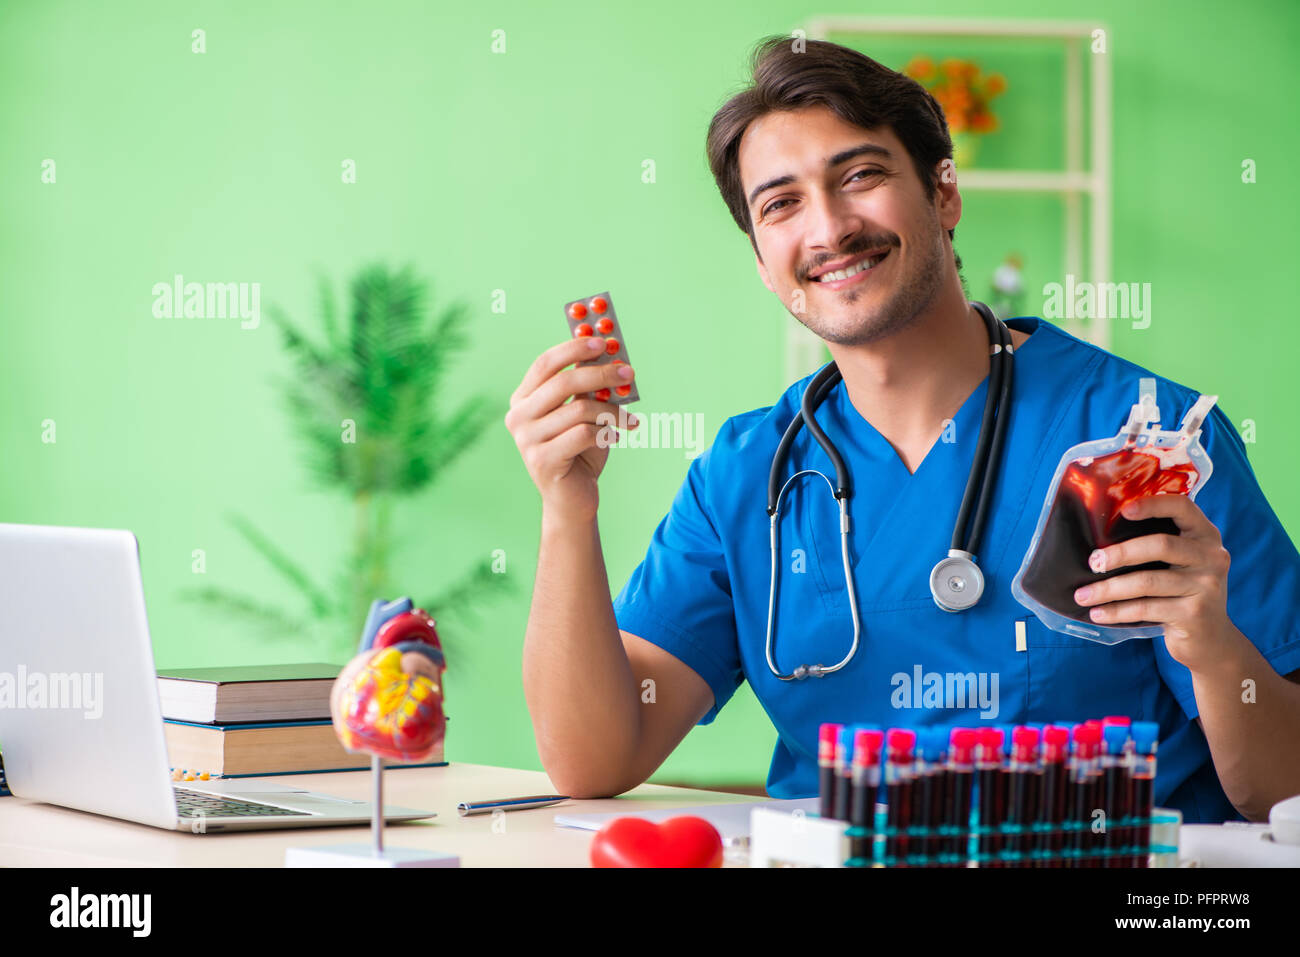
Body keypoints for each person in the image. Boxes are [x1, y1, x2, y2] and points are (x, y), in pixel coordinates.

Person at [505, 36, 1300, 824]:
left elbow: (1283, 789)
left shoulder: (1146, 443)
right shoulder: (746, 475)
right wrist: (566, 509)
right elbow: (594, 756)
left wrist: (1216, 648)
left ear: (944, 195)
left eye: (860, 176)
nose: (828, 229)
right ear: (761, 258)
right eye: (780, 204)